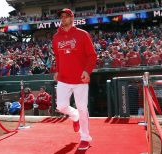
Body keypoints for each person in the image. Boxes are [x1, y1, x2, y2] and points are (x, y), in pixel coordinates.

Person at [52, 8, 97, 150]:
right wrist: (57, 71)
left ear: (72, 18)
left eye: (66, 16)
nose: (63, 18)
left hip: (80, 79)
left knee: (83, 108)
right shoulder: (56, 37)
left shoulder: (82, 34)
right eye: (62, 17)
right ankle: (74, 116)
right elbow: (58, 57)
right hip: (64, 78)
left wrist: (87, 71)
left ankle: (85, 137)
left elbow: (92, 55)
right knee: (61, 106)